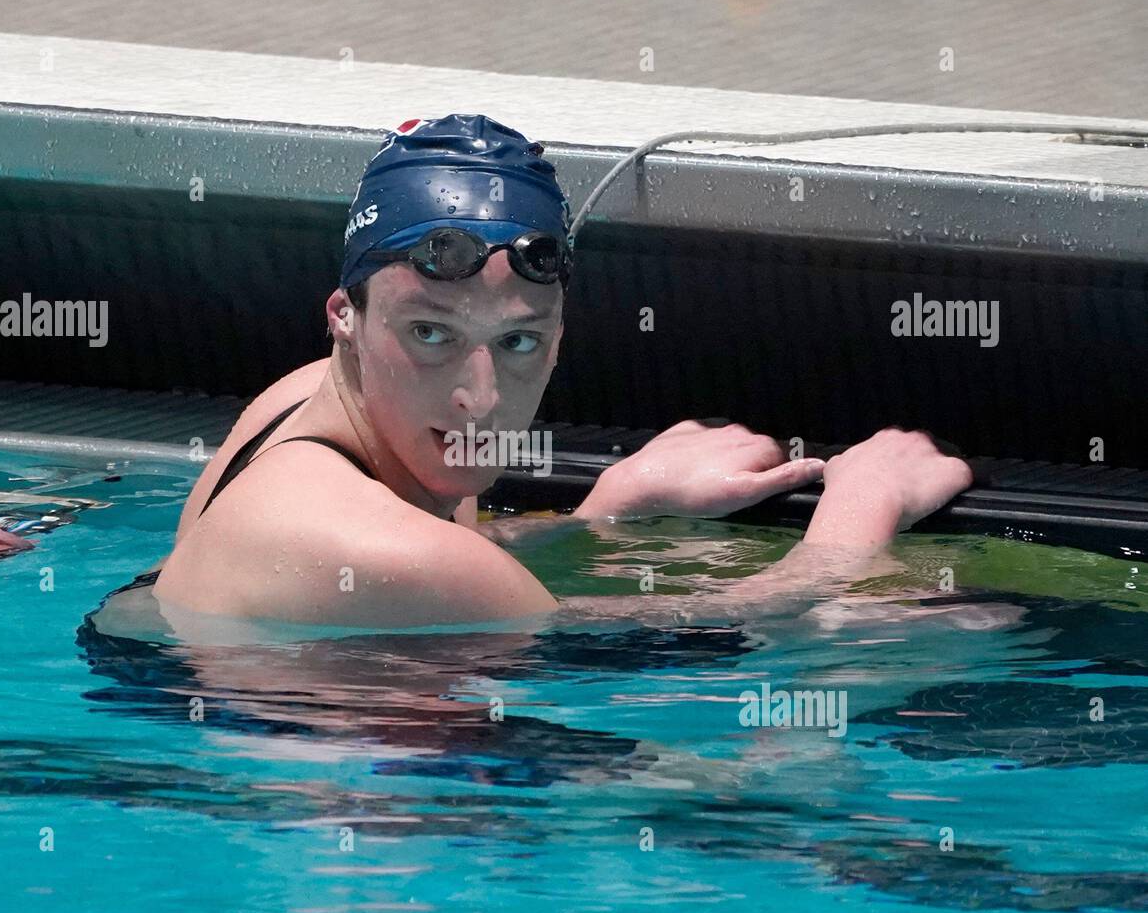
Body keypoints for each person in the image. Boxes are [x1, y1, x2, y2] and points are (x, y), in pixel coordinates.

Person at [151, 114, 971, 629]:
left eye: (517, 344)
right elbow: (734, 626)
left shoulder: (303, 402)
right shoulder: (368, 539)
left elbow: (438, 560)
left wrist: (599, 513)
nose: (478, 399)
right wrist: (861, 506)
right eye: (430, 333)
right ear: (345, 318)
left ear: (561, 334)